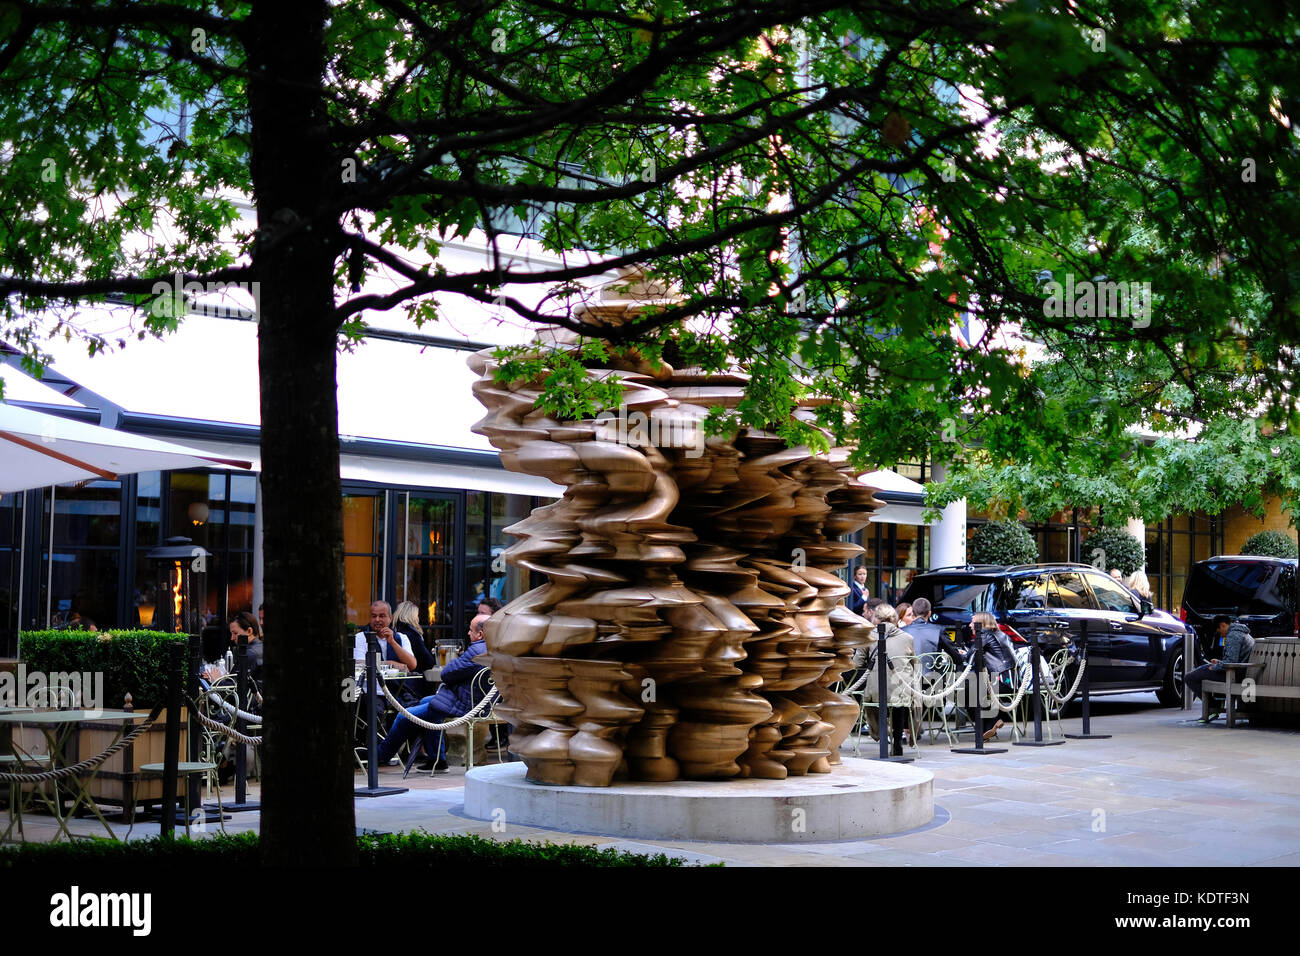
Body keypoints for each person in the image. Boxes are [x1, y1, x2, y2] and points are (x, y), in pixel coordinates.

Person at [377, 612, 492, 771]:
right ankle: (437, 759)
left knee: (404, 715)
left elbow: (446, 673)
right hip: (481, 702)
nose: (468, 633)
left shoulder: (476, 651)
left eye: (471, 630)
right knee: (426, 703)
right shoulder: (497, 649)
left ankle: (381, 755)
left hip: (466, 703)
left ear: (480, 634)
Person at [852, 604, 917, 756]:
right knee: (899, 699)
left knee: (873, 697)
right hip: (901, 690)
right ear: (894, 619)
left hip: (875, 691)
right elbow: (914, 664)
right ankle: (897, 741)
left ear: (876, 619)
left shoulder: (867, 636)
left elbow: (857, 663)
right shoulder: (908, 638)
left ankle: (879, 734)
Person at [1185, 615, 1254, 721]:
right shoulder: (1243, 633)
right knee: (1203, 669)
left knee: (1190, 677)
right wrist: (1219, 663)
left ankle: (1213, 707)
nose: (1218, 632)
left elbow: (1231, 663)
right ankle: (1214, 706)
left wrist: (1217, 666)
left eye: (1218, 629)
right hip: (1242, 672)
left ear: (1223, 625)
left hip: (1234, 675)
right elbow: (1234, 660)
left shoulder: (1233, 636)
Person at [967, 611, 1015, 740]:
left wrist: (962, 654)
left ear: (980, 624)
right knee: (973, 688)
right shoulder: (1002, 634)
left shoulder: (984, 635)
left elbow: (969, 657)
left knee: (964, 691)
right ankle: (988, 725)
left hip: (1000, 682)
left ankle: (989, 723)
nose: (970, 625)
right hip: (1011, 681)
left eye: (972, 622)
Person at [905, 597, 966, 675]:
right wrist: (964, 655)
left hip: (907, 681)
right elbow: (956, 658)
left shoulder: (902, 631)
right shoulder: (938, 630)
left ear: (913, 613)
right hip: (932, 681)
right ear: (929, 613)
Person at [353, 600, 417, 672]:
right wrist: (390, 664)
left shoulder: (401, 637)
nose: (377, 620)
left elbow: (412, 665)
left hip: (399, 683)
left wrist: (392, 642)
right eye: (374, 616)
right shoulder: (361, 637)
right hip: (372, 683)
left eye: (381, 616)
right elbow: (359, 665)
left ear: (390, 618)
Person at [392, 600, 438, 695]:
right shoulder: (412, 634)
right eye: (417, 616)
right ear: (412, 617)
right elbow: (428, 662)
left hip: (396, 683)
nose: (418, 619)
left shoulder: (393, 632)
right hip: (412, 685)